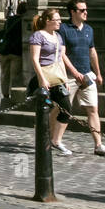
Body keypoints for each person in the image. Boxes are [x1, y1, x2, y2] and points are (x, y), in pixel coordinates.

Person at [59, 0, 105, 156]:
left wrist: (98, 72)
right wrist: (74, 72)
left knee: (92, 109)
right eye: (82, 10)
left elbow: (92, 52)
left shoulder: (89, 29)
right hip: (69, 76)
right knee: (62, 110)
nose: (86, 13)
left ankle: (98, 145)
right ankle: (53, 140)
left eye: (86, 10)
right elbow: (62, 54)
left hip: (87, 75)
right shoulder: (63, 29)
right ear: (73, 12)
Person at [27, 9, 75, 153]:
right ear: (48, 21)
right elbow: (35, 59)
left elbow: (60, 59)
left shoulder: (58, 37)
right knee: (43, 111)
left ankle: (56, 140)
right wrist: (42, 79)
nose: (60, 22)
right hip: (44, 77)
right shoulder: (38, 36)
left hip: (57, 78)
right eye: (57, 19)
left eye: (60, 19)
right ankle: (42, 141)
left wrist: (65, 78)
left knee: (66, 108)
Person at [0, 0, 26, 108]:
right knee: (14, 76)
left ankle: (5, 96)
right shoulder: (23, 21)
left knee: (4, 74)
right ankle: (13, 98)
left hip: (4, 51)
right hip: (15, 52)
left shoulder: (10, 20)